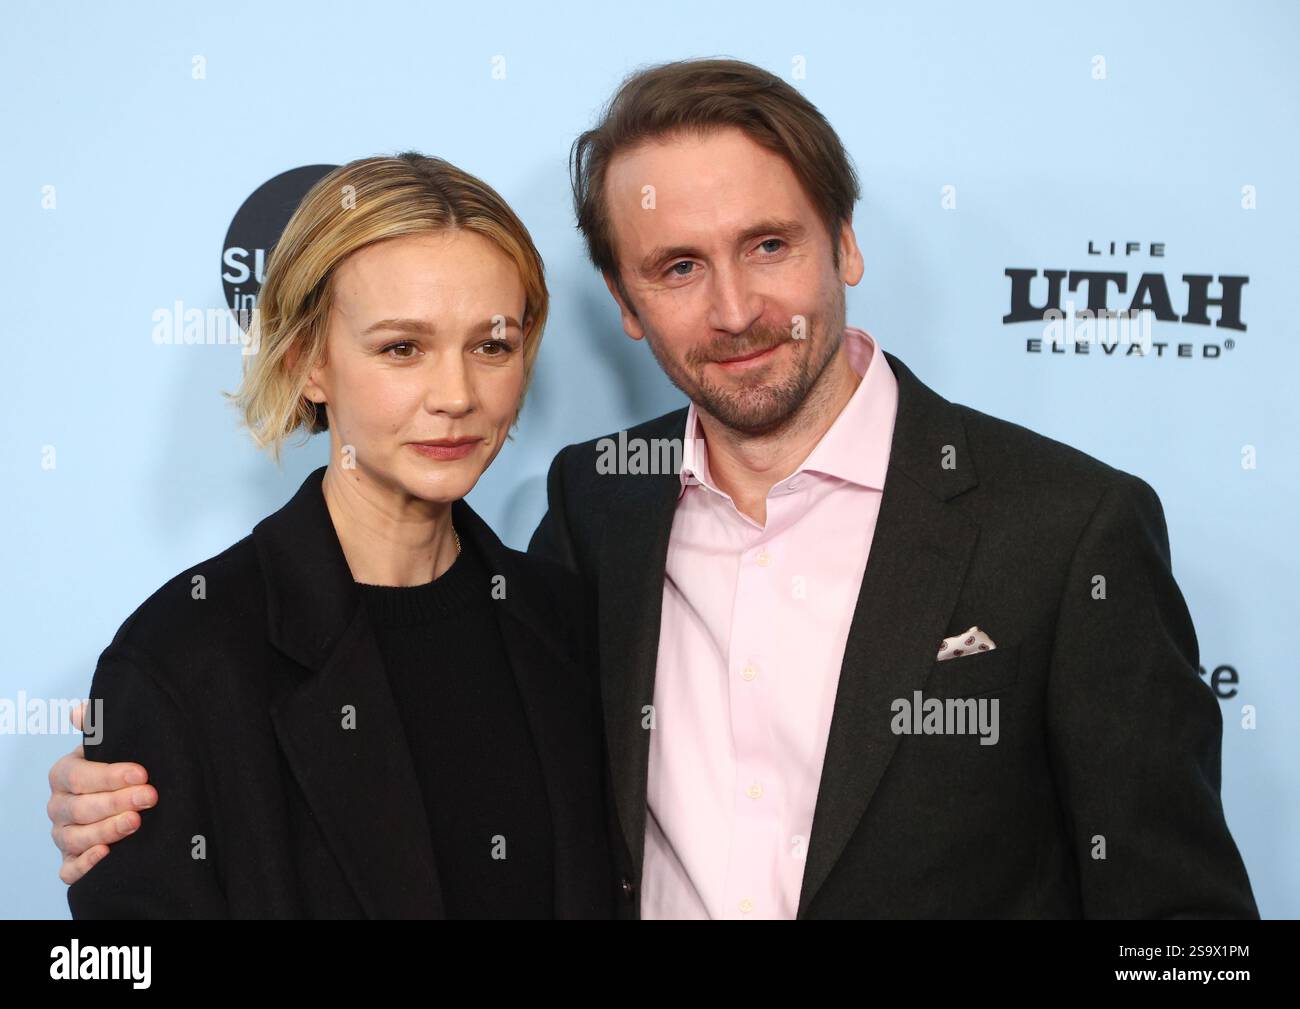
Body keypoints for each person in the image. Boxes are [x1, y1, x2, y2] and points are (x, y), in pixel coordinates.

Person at [50, 59, 1258, 919]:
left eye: (769, 245)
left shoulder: (1065, 527)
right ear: (625, 309)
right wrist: (121, 787)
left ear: (844, 242)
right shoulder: (600, 519)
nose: (732, 310)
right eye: (678, 267)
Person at [52, 151, 614, 919]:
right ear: (308, 363)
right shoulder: (183, 656)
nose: (456, 395)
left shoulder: (568, 621)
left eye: (491, 345)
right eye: (401, 348)